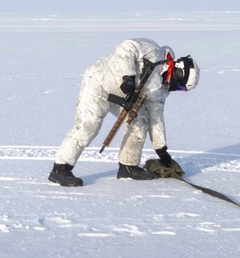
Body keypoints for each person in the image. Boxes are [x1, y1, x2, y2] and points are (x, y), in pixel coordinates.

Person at [49, 38, 199, 187]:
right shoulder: (154, 51)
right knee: (89, 126)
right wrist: (128, 77)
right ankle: (60, 169)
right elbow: (126, 47)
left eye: (181, 90)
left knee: (140, 123)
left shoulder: (160, 91)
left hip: (124, 96)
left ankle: (128, 166)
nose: (176, 89)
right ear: (178, 73)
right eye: (180, 86)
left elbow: (156, 117)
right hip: (98, 83)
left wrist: (161, 150)